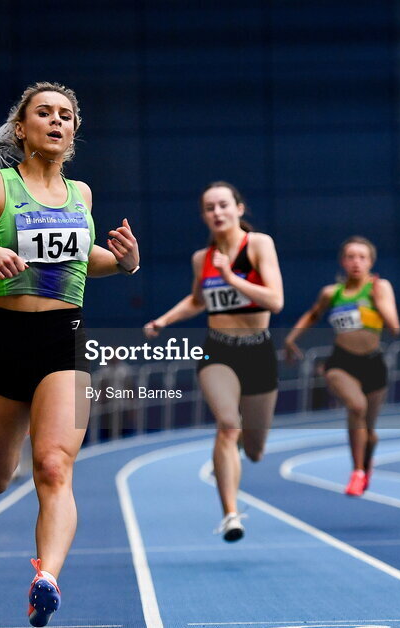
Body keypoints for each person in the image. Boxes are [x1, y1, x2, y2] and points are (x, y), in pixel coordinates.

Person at [0, 82, 139, 627]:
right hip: (2, 340)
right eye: (44, 112)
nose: (56, 120)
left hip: (64, 340)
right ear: (21, 129)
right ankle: (15, 438)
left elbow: (81, 259)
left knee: (53, 465)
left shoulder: (81, 194)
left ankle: (47, 578)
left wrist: (123, 262)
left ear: (74, 131)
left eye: (66, 114)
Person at [143, 181, 283, 542]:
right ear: (204, 216)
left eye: (223, 205)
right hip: (218, 351)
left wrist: (230, 277)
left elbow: (275, 300)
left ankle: (244, 447)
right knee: (227, 425)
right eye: (210, 208)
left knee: (255, 449)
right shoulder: (201, 258)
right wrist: (164, 320)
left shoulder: (258, 245)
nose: (217, 212)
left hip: (258, 352)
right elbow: (197, 300)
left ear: (239, 208)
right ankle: (231, 514)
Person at [284, 236, 400, 497]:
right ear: (342, 261)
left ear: (371, 262)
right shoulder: (331, 293)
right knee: (356, 406)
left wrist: (378, 302)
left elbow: (394, 328)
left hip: (373, 364)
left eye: (362, 257)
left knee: (369, 432)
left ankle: (366, 465)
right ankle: (356, 471)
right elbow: (313, 314)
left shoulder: (380, 288)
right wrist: (291, 339)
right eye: (350, 257)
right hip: (341, 362)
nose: (356, 262)